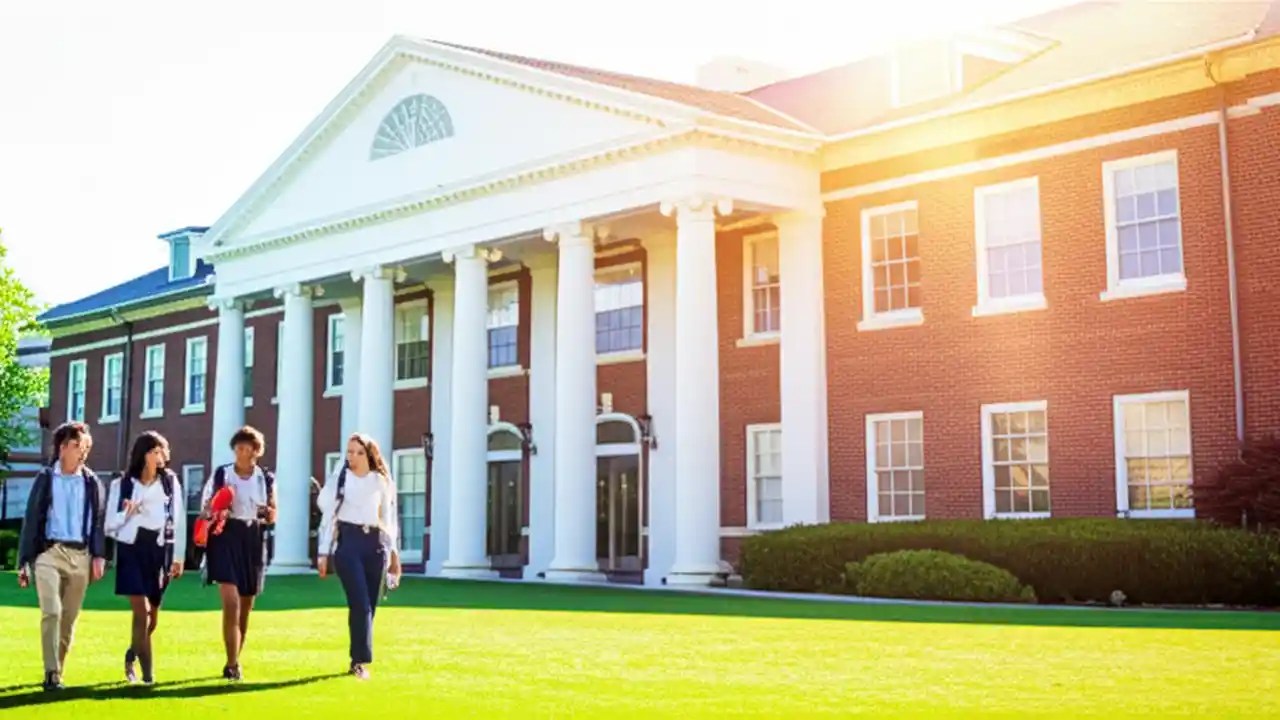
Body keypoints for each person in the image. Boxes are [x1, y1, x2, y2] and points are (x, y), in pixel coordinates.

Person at [16, 422, 107, 692]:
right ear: (63, 447)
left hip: (81, 555)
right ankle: (51, 672)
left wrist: (99, 555)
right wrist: (24, 561)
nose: (83, 452)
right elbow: (31, 519)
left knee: (68, 619)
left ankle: (58, 669)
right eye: (78, 446)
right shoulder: (46, 478)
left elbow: (98, 522)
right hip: (49, 553)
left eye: (86, 447)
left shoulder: (92, 482)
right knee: (52, 612)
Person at [317, 432, 402, 680]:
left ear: (370, 455)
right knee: (360, 603)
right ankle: (359, 661)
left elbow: (389, 520)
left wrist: (394, 556)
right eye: (349, 452)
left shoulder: (381, 482)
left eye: (358, 452)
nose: (352, 457)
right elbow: (328, 515)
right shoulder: (341, 479)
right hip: (348, 544)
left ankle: (358, 656)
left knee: (369, 607)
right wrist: (323, 552)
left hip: (376, 545)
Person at [105, 431, 186, 685]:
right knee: (141, 611)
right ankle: (147, 675)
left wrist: (178, 556)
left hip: (158, 550)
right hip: (132, 549)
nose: (160, 457)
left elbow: (179, 519)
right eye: (155, 451)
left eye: (162, 451)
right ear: (144, 455)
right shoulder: (123, 485)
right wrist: (127, 514)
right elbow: (109, 525)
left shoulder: (170, 482)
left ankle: (132, 653)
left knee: (152, 618)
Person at [199, 425, 276, 682]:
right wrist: (217, 509)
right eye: (238, 448)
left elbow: (271, 514)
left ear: (256, 451)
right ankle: (232, 664)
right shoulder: (222, 474)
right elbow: (205, 507)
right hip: (225, 538)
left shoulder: (265, 479)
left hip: (252, 538)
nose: (241, 453)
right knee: (230, 603)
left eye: (246, 448)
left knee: (245, 606)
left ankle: (234, 660)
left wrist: (270, 514)